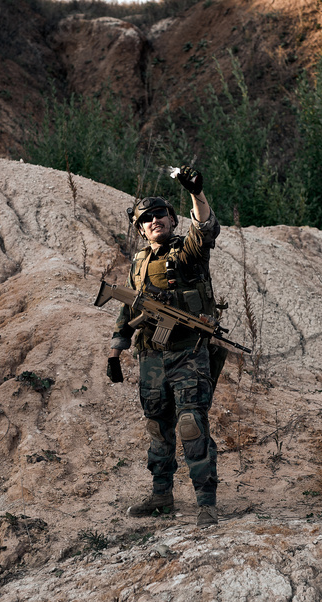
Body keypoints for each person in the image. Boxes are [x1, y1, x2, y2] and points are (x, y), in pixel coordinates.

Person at [107, 166, 224, 526]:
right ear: (140, 228)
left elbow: (204, 230)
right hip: (150, 357)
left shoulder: (186, 253)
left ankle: (206, 502)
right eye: (146, 218)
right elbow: (129, 307)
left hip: (188, 351)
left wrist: (197, 194)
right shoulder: (139, 262)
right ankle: (162, 495)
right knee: (157, 426)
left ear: (172, 219)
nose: (154, 220)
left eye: (160, 214)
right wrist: (116, 348)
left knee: (191, 424)